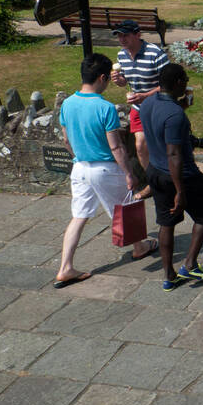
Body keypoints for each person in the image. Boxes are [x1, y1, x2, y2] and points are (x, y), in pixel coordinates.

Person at [55, 53, 141, 288]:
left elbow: (65, 139)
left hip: (80, 168)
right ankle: (140, 248)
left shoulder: (68, 104)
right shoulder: (105, 108)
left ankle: (65, 267)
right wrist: (129, 173)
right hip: (104, 168)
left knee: (79, 217)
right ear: (102, 78)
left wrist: (77, 158)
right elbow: (116, 146)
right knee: (126, 207)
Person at [140, 63, 203, 291]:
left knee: (166, 224)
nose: (186, 82)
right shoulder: (175, 115)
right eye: (184, 79)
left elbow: (160, 126)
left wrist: (180, 106)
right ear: (177, 83)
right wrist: (181, 192)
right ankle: (190, 264)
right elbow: (174, 155)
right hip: (182, 177)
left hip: (155, 171)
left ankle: (169, 276)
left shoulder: (148, 103)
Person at [110, 20, 168, 207]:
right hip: (139, 109)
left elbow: (168, 83)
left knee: (165, 146)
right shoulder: (121, 55)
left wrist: (146, 95)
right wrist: (119, 80)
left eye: (125, 34)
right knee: (141, 145)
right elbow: (125, 82)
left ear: (137, 34)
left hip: (159, 106)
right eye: (119, 35)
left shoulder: (155, 53)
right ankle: (154, 182)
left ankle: (173, 177)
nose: (121, 39)